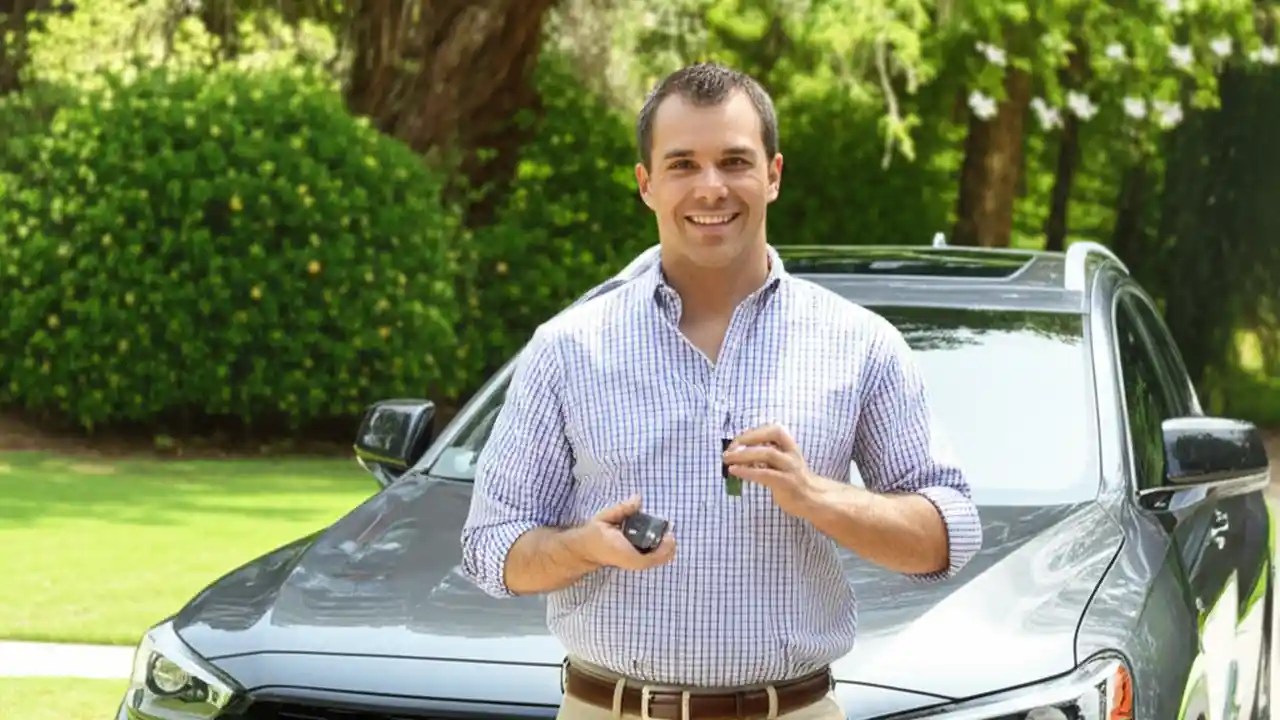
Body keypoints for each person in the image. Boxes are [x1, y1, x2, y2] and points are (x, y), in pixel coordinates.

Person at [459, 62, 982, 720]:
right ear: (646, 184)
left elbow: (950, 533)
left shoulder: (860, 344)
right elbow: (489, 547)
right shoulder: (568, 349)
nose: (711, 188)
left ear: (774, 174)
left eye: (735, 161)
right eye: (683, 164)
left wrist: (816, 494)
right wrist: (583, 548)